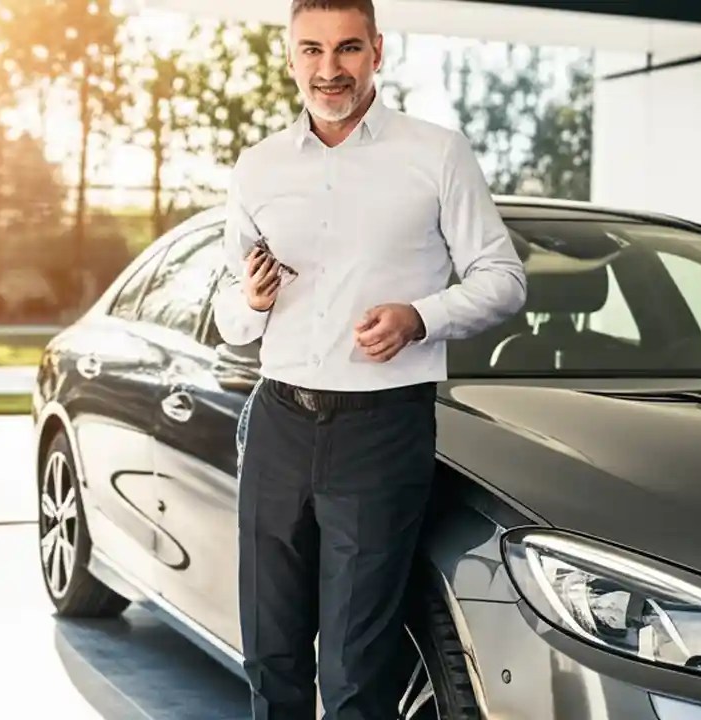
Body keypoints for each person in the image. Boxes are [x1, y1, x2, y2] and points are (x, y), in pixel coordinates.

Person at [213, 1, 527, 717]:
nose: (330, 70)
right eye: (313, 51)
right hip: (277, 423)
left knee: (358, 671)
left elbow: (504, 279)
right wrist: (253, 302)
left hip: (381, 430)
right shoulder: (257, 168)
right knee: (270, 652)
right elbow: (230, 317)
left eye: (348, 49)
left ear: (378, 51)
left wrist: (422, 317)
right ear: (291, 56)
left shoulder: (436, 154)